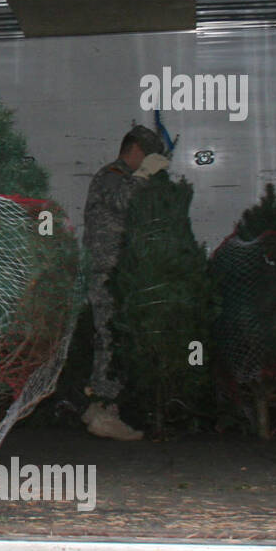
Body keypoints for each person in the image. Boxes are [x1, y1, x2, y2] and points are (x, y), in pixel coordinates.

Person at [80, 124, 170, 440]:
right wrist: (143, 176)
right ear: (133, 150)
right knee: (112, 339)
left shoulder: (120, 176)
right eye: (146, 157)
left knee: (109, 337)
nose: (148, 163)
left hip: (115, 271)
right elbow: (123, 202)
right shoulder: (112, 175)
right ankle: (105, 411)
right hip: (106, 272)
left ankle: (98, 408)